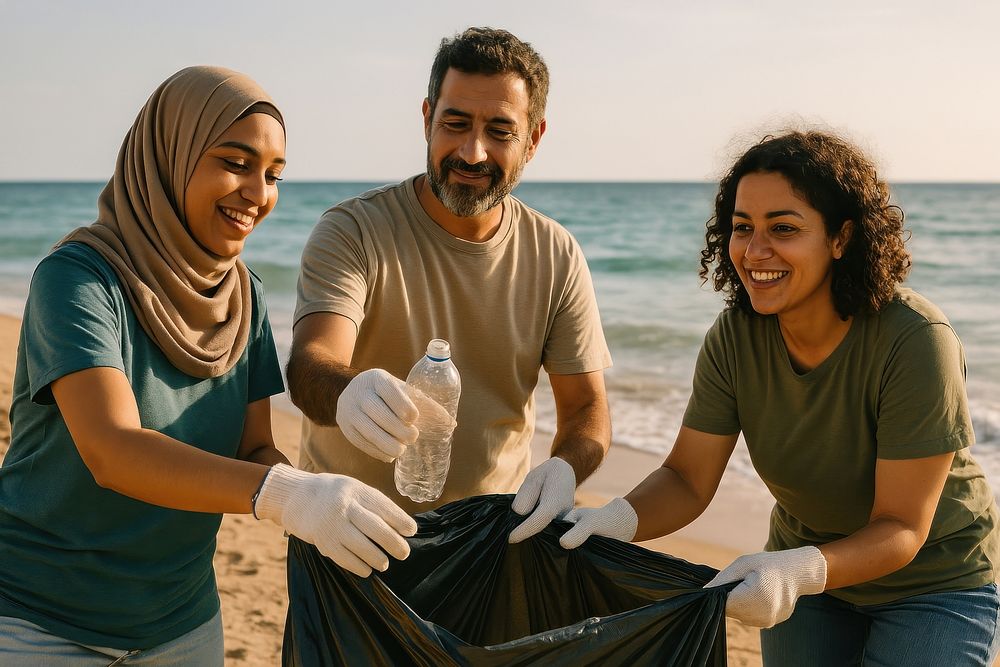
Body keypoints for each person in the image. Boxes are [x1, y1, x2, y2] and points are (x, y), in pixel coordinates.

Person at [0, 66, 416, 665]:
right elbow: (112, 451)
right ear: (171, 155)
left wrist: (323, 499)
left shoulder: (245, 294)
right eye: (236, 162)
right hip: (41, 623)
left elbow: (253, 453)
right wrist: (284, 494)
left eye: (274, 176)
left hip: (181, 625)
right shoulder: (78, 279)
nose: (259, 193)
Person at [555, 131, 1000, 665]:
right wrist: (610, 521)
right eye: (742, 228)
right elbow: (687, 480)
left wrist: (798, 570)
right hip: (802, 574)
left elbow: (901, 526)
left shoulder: (915, 338)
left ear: (841, 238)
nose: (755, 250)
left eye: (783, 229)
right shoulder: (735, 336)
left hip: (932, 585)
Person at [286, 27, 612, 542]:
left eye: (500, 132)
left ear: (534, 139)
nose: (473, 152)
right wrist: (349, 393)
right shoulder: (354, 230)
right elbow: (310, 364)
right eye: (455, 124)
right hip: (345, 533)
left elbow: (586, 409)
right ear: (426, 120)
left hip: (488, 545)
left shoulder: (556, 254)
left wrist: (566, 468)